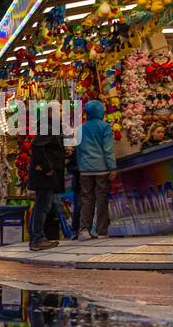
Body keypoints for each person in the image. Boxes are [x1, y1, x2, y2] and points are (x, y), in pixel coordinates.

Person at [75, 98, 115, 240]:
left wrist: (81, 167)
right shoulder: (104, 127)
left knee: (86, 199)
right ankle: (102, 231)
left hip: (85, 170)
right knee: (101, 199)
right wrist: (112, 167)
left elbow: (78, 150)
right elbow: (108, 149)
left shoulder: (80, 129)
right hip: (102, 169)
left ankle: (84, 230)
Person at [28, 122, 66, 252]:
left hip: (44, 175)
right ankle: (38, 239)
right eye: (59, 110)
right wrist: (47, 168)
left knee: (41, 206)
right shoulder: (48, 128)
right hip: (44, 176)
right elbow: (36, 145)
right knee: (43, 206)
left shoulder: (50, 128)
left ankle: (36, 238)